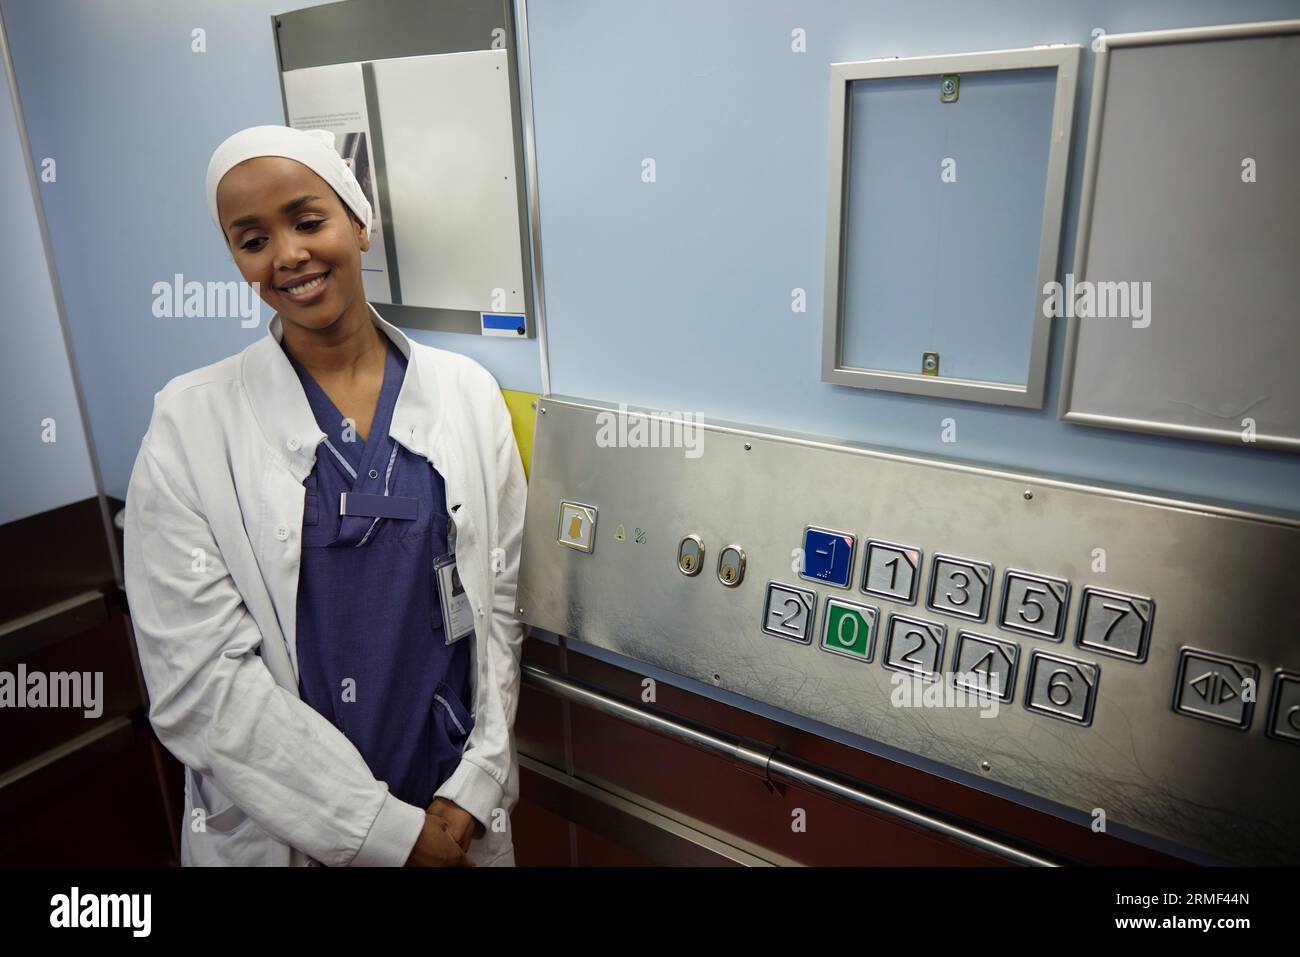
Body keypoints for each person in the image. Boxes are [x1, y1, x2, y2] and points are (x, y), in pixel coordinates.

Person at [122, 125, 527, 866]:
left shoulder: (467, 395)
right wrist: (383, 835)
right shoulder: (189, 424)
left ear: (359, 222)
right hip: (292, 827)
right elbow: (199, 685)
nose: (287, 256)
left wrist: (478, 778)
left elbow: (497, 607)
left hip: (451, 807)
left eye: (309, 221)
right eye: (252, 240)